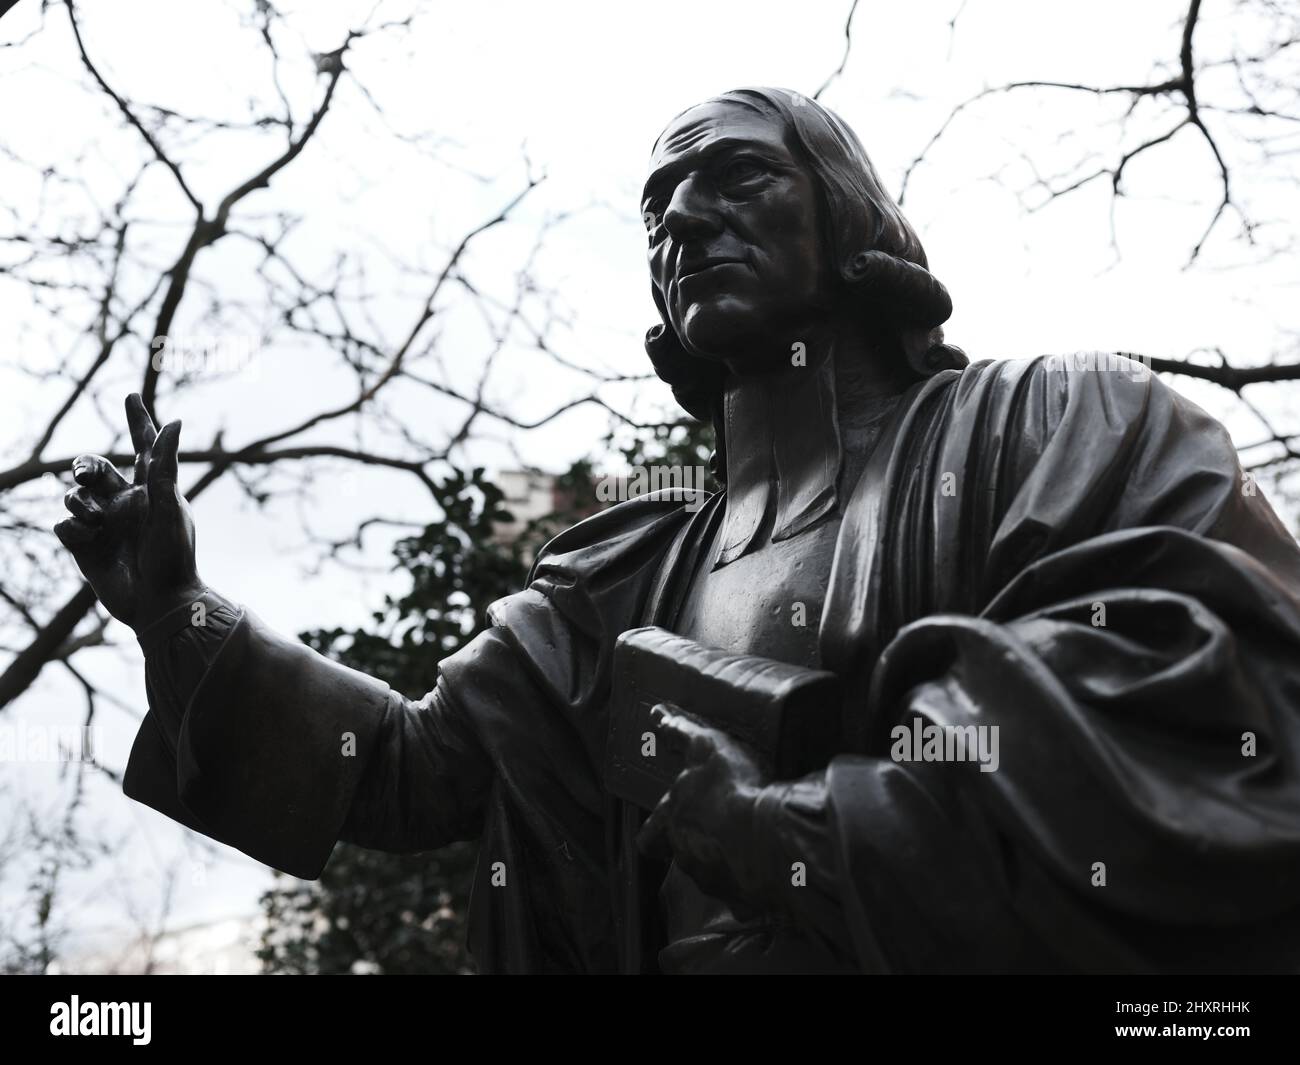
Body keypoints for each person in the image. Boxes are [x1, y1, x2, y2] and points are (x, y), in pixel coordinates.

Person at [54, 88, 1300, 974]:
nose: (685, 220)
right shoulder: (619, 581)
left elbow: (1212, 708)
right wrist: (180, 614)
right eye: (658, 207)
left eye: (737, 176)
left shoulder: (1063, 421)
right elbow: (406, 769)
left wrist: (789, 836)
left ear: (848, 214)